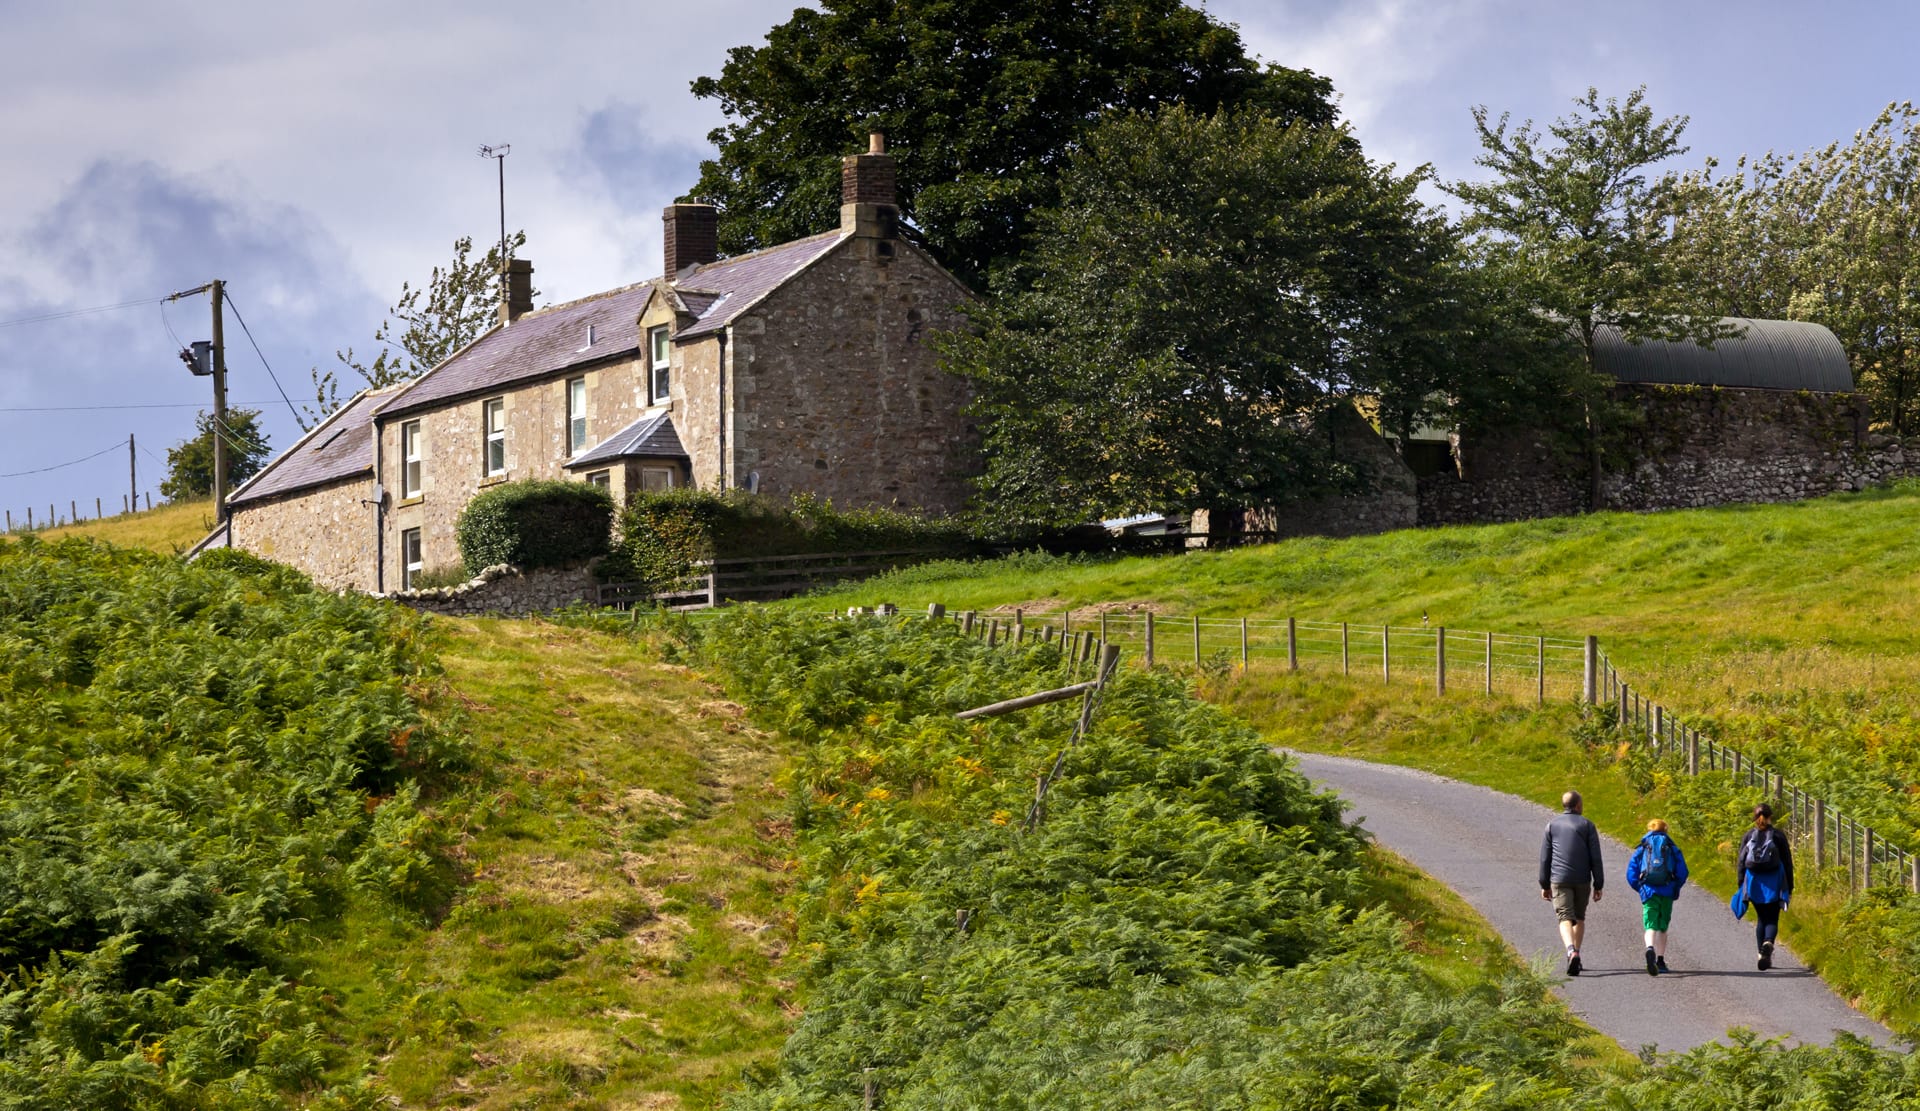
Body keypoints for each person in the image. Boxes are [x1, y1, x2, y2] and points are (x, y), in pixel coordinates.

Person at [1539, 790, 1605, 975]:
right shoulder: (1587, 825)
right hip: (1582, 879)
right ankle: (1577, 953)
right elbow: (1595, 857)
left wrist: (1544, 884)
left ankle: (1570, 951)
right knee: (1579, 917)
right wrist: (1598, 884)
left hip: (1559, 879)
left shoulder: (1552, 825)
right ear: (1578, 805)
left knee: (1564, 917)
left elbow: (1545, 858)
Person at [1625, 819, 1690, 975]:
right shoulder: (1672, 847)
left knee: (1650, 925)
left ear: (1649, 829)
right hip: (1667, 890)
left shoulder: (1643, 847)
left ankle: (1649, 948)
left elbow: (1631, 871)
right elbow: (1683, 871)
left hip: (1649, 891)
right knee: (1663, 926)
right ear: (1665, 829)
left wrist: (1640, 888)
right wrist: (1675, 887)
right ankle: (1660, 961)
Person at [1736, 802, 1794, 971]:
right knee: (1772, 918)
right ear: (1770, 817)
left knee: (1761, 918)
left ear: (1754, 818)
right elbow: (1787, 862)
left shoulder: (1749, 835)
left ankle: (1761, 955)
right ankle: (1768, 943)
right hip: (1774, 882)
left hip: (1754, 882)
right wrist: (1789, 887)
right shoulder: (1778, 836)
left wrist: (1741, 883)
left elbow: (1741, 862)